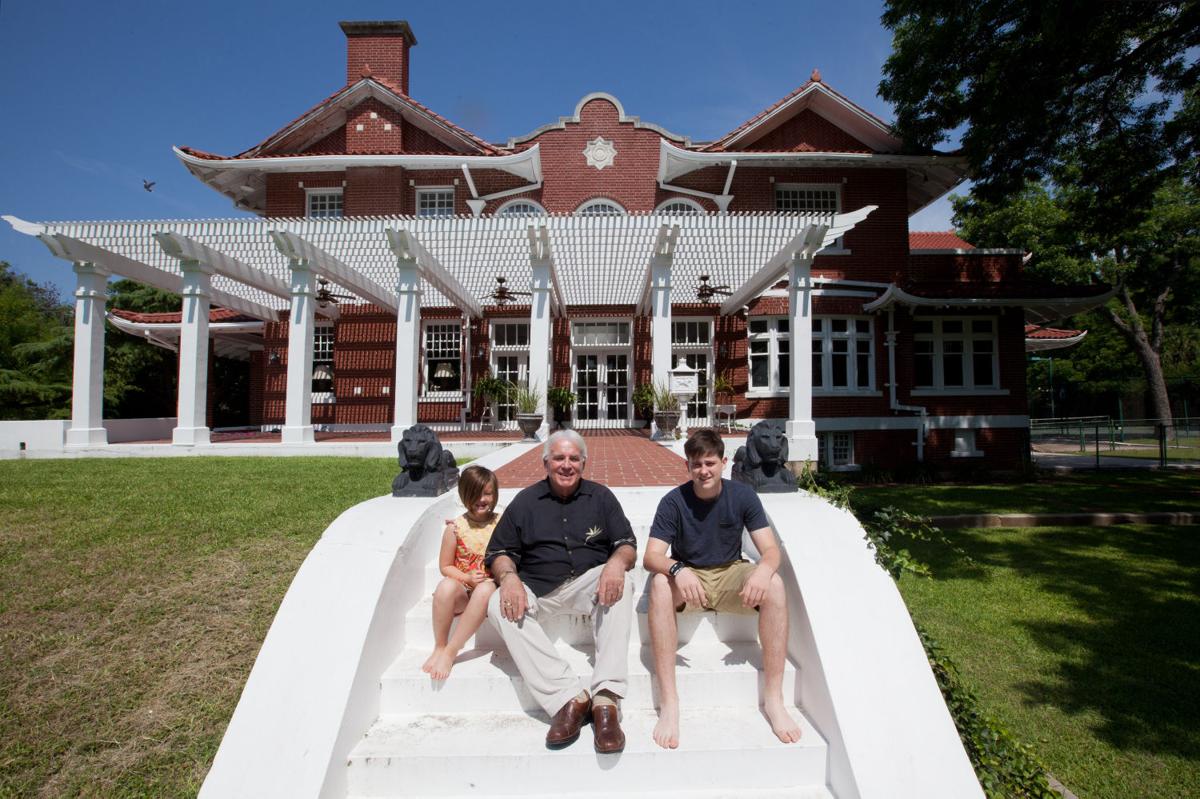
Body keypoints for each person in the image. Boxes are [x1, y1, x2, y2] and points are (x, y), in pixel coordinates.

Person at [643, 428, 802, 748]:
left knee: (774, 584)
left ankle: (774, 699)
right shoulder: (673, 501)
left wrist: (761, 572)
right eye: (697, 464)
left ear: (724, 463)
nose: (704, 471)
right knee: (660, 583)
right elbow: (651, 557)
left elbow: (771, 551)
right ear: (687, 467)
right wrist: (678, 569)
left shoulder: (743, 496)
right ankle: (670, 704)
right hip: (689, 581)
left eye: (710, 463)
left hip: (731, 573)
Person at [484, 430, 637, 753]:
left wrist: (616, 563)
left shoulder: (601, 497)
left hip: (587, 584)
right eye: (559, 458)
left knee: (624, 582)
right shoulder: (526, 501)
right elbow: (498, 551)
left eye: (573, 458)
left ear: (583, 462)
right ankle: (568, 697)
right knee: (498, 603)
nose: (566, 465)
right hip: (538, 588)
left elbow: (627, 544)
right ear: (546, 463)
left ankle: (606, 700)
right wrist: (509, 577)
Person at [422, 465, 502, 681]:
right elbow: (445, 566)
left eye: (487, 493)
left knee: (485, 588)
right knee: (445, 586)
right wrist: (466, 578)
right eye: (475, 493)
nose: (482, 499)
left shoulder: (501, 523)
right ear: (464, 495)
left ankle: (451, 650)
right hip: (464, 593)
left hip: (489, 595)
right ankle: (439, 645)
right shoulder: (455, 528)